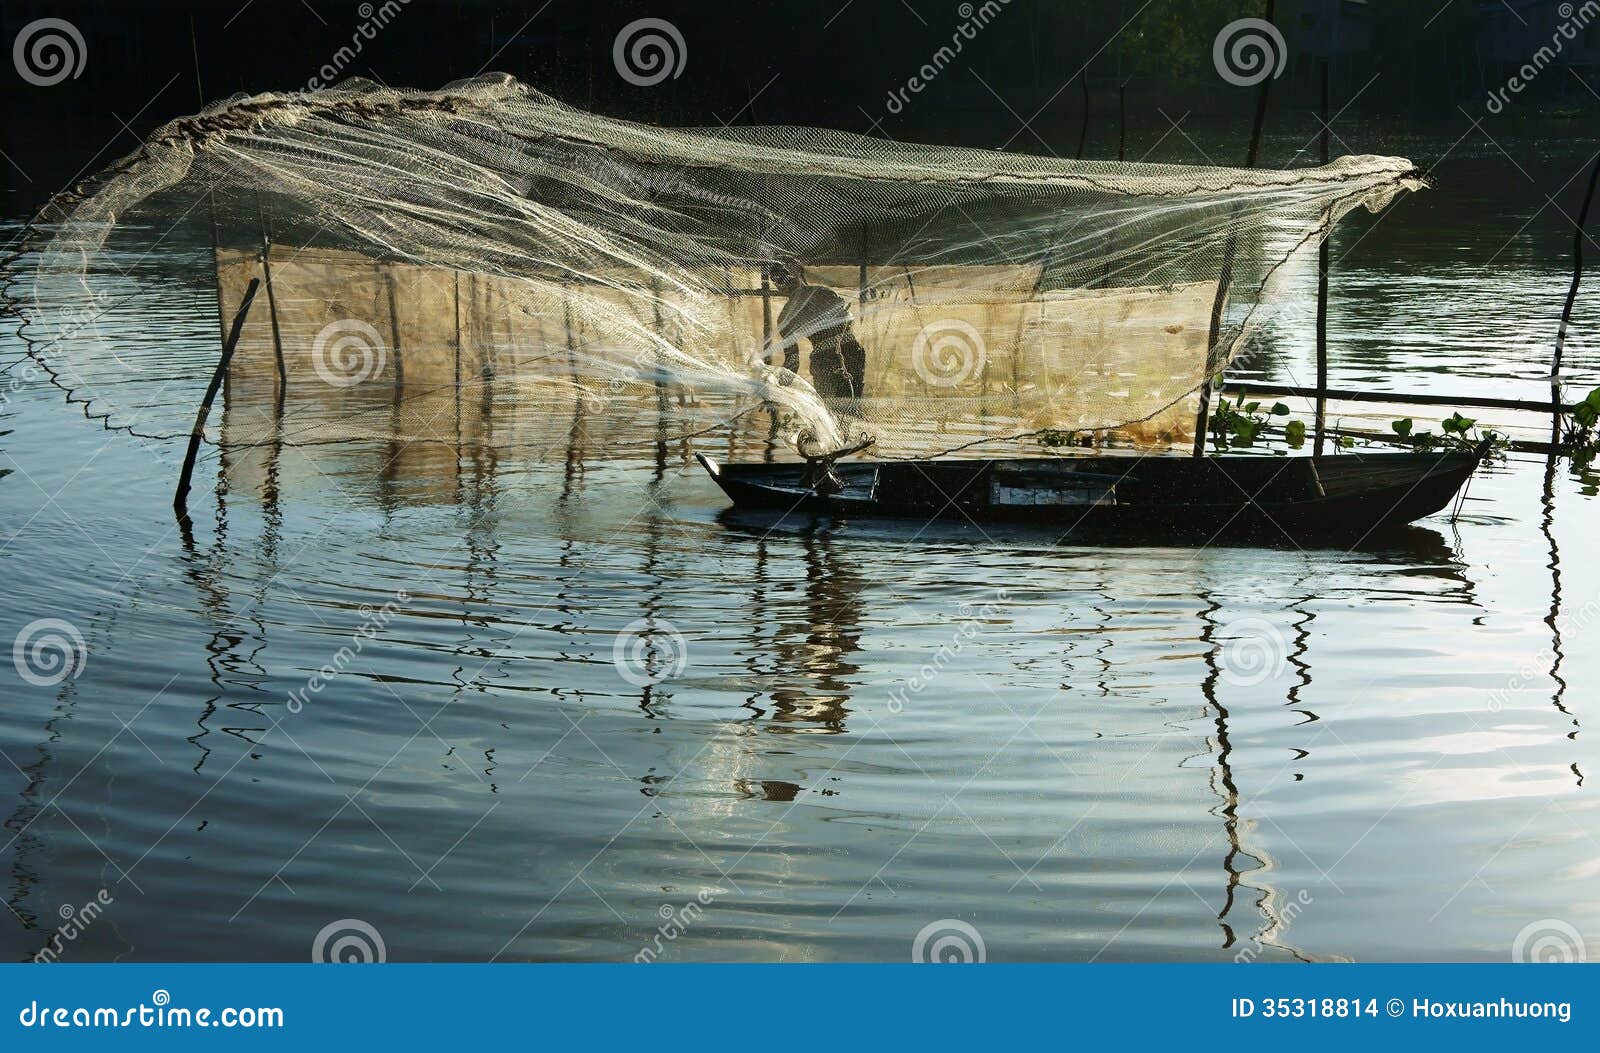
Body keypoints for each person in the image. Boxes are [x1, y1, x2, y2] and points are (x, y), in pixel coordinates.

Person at [768, 263, 867, 400]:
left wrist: (779, 386)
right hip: (848, 353)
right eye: (781, 279)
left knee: (832, 409)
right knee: (849, 405)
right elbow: (847, 322)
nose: (785, 282)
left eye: (786, 276)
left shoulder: (785, 317)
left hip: (830, 358)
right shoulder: (824, 292)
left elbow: (793, 360)